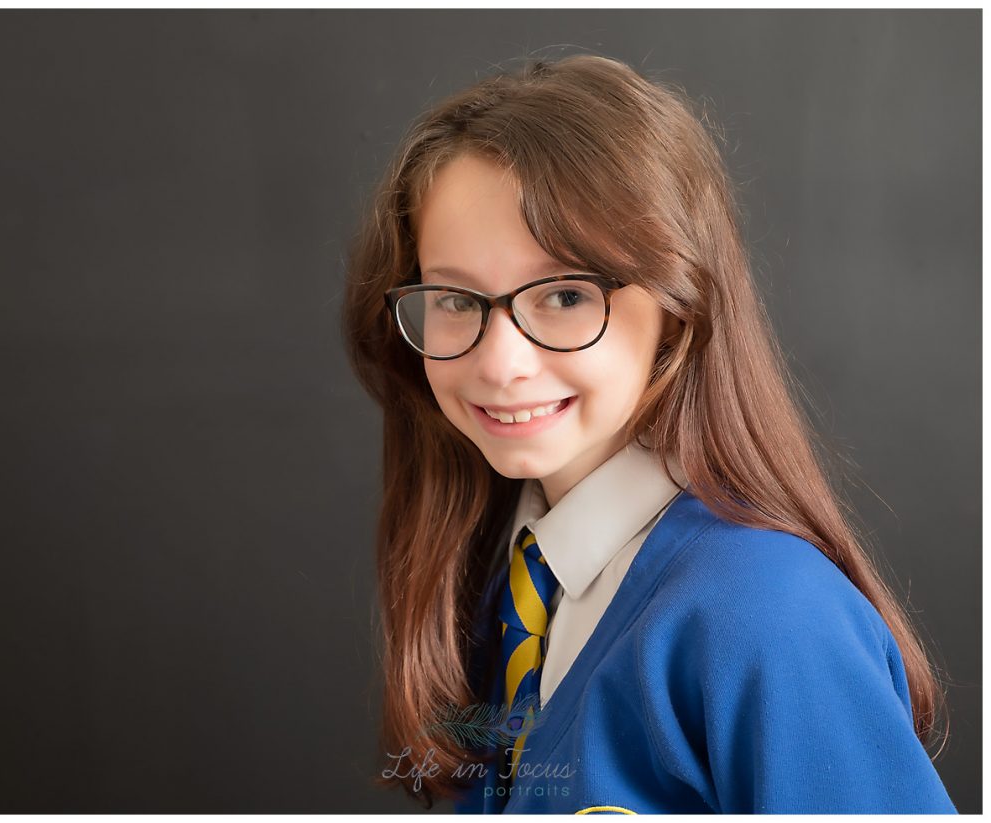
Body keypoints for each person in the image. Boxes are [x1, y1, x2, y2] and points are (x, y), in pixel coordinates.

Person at [342, 54, 957, 814]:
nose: (501, 364)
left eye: (565, 294)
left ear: (678, 304)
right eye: (456, 299)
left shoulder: (766, 616)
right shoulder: (501, 593)